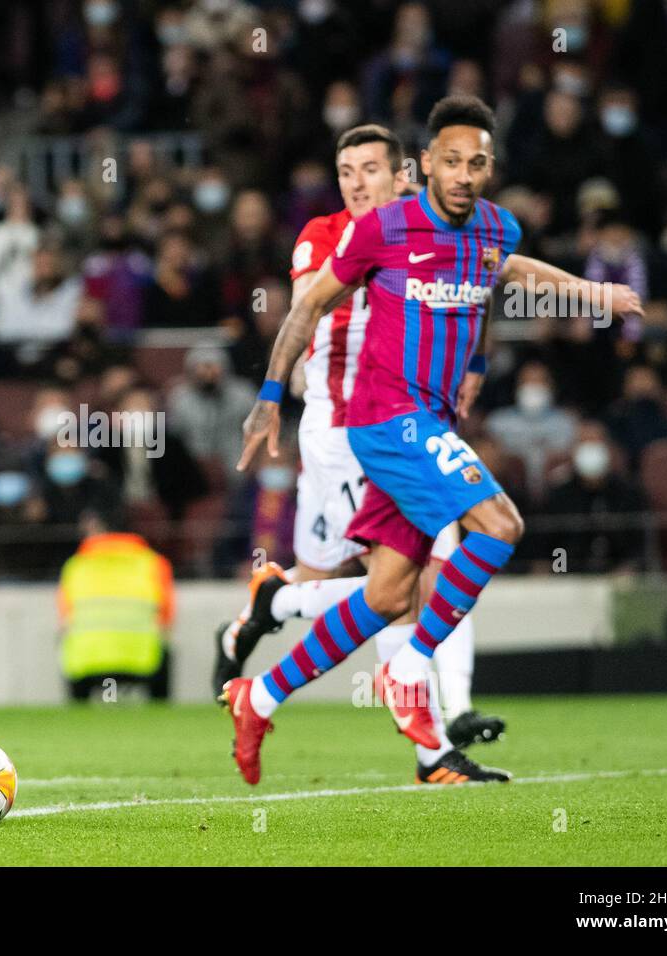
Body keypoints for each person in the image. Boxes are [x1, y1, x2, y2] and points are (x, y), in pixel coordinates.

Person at [224, 95, 643, 786]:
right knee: (500, 525)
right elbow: (307, 305)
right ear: (426, 165)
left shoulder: (493, 228)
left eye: (477, 161)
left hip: (430, 423)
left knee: (387, 593)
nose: (464, 173)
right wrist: (270, 396)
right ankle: (412, 668)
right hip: (386, 419)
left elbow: (511, 270)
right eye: (450, 160)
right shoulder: (384, 230)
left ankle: (259, 695)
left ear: (489, 168)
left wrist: (596, 294)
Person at [211, 123, 505, 780]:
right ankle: (439, 741)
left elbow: (481, 284)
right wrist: (267, 399)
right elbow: (305, 310)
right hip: (346, 428)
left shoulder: (432, 233)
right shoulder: (328, 236)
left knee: (342, 580)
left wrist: (474, 359)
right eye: (346, 172)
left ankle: (275, 604)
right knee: (415, 573)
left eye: (371, 170)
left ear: (403, 175)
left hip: (394, 423)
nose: (357, 183)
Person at [58, 511, 174, 701]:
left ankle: (80, 715)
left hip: (86, 661)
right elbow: (167, 617)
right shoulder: (154, 563)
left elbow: (64, 619)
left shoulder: (75, 566)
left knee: (67, 645)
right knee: (165, 645)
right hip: (143, 659)